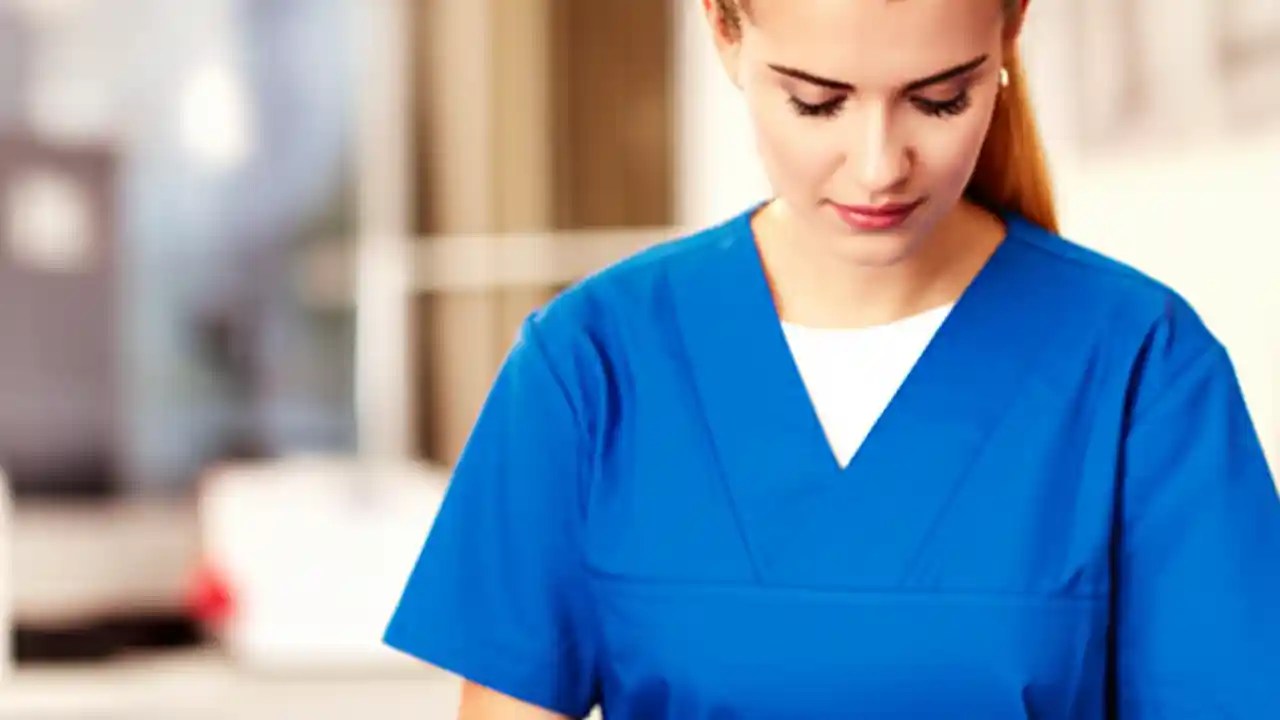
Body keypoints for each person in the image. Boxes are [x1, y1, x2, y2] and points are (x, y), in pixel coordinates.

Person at [383, 0, 1280, 717]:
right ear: (724, 30)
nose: (879, 166)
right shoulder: (591, 368)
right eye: (817, 102)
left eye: (941, 99)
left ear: (1012, 27)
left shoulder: (1143, 369)